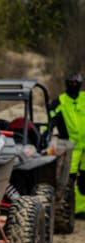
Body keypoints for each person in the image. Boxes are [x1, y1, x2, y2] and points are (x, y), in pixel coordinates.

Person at [49, 72, 85, 216]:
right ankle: (67, 210)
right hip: (70, 147)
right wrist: (45, 134)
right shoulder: (59, 101)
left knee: (83, 179)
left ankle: (82, 209)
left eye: (77, 82)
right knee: (68, 179)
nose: (74, 85)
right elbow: (49, 121)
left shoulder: (84, 98)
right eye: (71, 82)